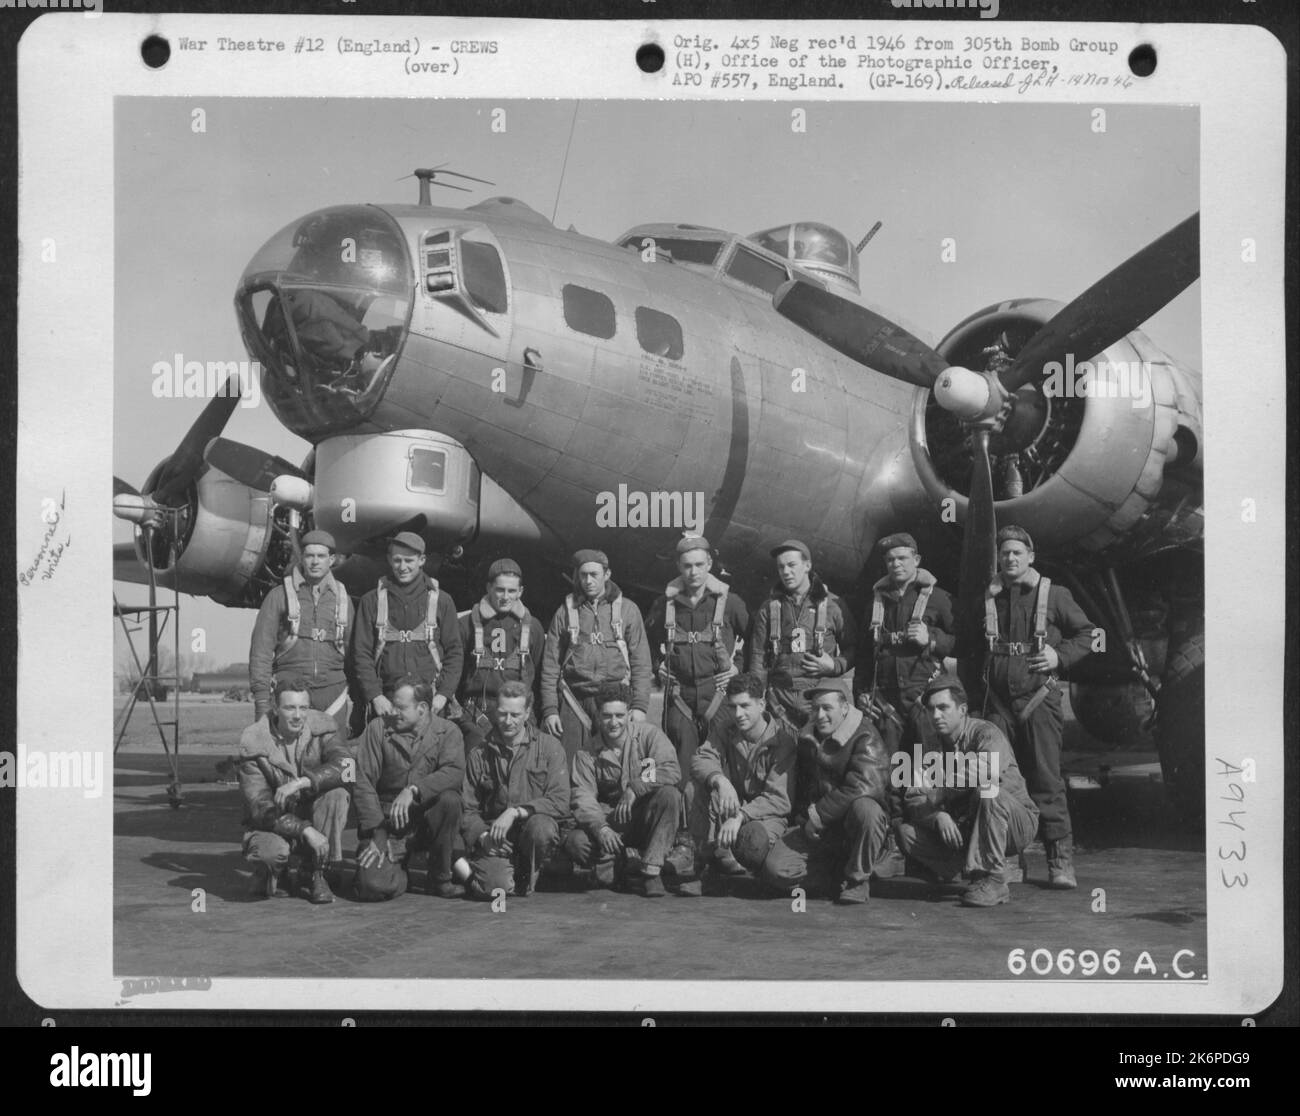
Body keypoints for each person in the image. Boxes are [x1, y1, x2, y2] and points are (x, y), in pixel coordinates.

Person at [962, 525, 1095, 889]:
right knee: (996, 781)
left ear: (1030, 557)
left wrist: (1059, 655)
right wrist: (975, 701)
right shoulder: (987, 599)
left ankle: (1059, 859)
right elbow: (971, 651)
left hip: (1039, 698)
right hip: (996, 705)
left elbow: (1090, 635)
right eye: (1004, 553)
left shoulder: (1055, 595)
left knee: (1046, 778)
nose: (1010, 558)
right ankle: (1005, 857)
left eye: (1017, 553)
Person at [645, 536, 749, 875]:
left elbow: (756, 643)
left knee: (723, 771)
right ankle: (688, 843)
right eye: (687, 566)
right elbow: (644, 646)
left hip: (718, 697)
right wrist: (655, 668)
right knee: (686, 773)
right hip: (681, 699)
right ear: (679, 567)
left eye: (700, 565)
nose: (693, 572)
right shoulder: (664, 605)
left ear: (710, 566)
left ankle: (724, 844)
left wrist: (739, 667)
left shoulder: (730, 603)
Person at [896, 675, 1039, 908]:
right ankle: (966, 869)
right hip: (969, 825)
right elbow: (914, 796)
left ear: (962, 710)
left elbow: (985, 770)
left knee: (988, 790)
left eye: (943, 708)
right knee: (906, 833)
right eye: (931, 709)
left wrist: (942, 791)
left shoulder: (986, 733)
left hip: (1015, 823)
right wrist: (937, 817)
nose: (935, 716)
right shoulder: (931, 746)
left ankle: (994, 880)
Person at [761, 677, 892, 904]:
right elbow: (802, 790)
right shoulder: (807, 738)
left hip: (851, 826)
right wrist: (804, 821)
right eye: (816, 708)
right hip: (821, 830)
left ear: (844, 708)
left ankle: (857, 879)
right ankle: (836, 876)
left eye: (827, 708)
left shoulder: (866, 736)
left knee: (867, 809)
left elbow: (864, 785)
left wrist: (818, 815)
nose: (820, 715)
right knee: (775, 869)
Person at [237, 675, 353, 904]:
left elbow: (348, 768)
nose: (298, 715)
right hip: (273, 822)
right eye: (290, 708)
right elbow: (261, 809)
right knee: (269, 853)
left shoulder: (324, 727)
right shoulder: (253, 742)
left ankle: (318, 872)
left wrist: (303, 782)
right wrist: (306, 831)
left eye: (303, 707)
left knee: (338, 795)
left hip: (310, 810)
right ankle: (273, 873)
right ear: (275, 708)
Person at [562, 682, 683, 897]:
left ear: (629, 714)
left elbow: (671, 770)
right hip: (612, 824)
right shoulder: (587, 752)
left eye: (619, 715)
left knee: (669, 795)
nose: (614, 722)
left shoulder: (649, 736)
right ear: (598, 716)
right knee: (577, 843)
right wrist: (601, 828)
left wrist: (636, 787)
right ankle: (619, 863)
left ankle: (651, 871)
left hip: (643, 819)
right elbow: (583, 797)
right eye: (607, 716)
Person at [352, 677, 465, 900]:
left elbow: (454, 772)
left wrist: (413, 790)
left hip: (425, 825)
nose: (393, 711)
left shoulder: (448, 732)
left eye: (400, 707)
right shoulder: (378, 729)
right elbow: (362, 782)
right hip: (387, 825)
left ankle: (440, 877)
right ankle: (398, 869)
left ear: (422, 708)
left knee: (450, 800)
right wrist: (379, 834)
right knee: (372, 886)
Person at [685, 672, 797, 893]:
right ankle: (707, 866)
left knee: (754, 846)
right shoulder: (726, 729)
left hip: (768, 816)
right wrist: (720, 781)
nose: (738, 714)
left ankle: (755, 871)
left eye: (745, 706)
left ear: (762, 704)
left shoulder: (783, 741)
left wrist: (741, 816)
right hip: (735, 805)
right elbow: (701, 758)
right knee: (693, 788)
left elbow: (779, 799)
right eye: (733, 706)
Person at [460, 681, 570, 900]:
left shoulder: (549, 748)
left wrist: (515, 812)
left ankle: (531, 867)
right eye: (502, 714)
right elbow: (467, 808)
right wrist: (483, 837)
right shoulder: (479, 754)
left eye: (515, 715)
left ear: (528, 712)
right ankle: (486, 869)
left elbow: (560, 801)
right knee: (494, 889)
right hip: (497, 836)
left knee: (542, 829)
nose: (508, 721)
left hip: (533, 829)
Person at [539, 549, 652, 762]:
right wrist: (551, 709)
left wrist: (639, 706)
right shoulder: (565, 611)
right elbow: (550, 665)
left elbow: (641, 663)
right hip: (575, 700)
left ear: (607, 574)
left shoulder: (627, 610)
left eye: (594, 575)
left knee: (618, 766)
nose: (588, 581)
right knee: (570, 765)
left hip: (614, 701)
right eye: (583, 575)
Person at [853, 532, 955, 755]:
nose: (895, 564)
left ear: (916, 560)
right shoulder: (875, 604)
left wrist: (932, 639)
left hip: (926, 700)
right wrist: (861, 693)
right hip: (886, 703)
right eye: (890, 560)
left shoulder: (939, 599)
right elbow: (863, 656)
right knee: (890, 772)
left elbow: (963, 644)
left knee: (931, 767)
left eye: (902, 558)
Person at [247, 530, 353, 736]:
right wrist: (261, 700)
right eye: (309, 555)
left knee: (336, 758)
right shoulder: (278, 596)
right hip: (290, 693)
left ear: (331, 559)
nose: (315, 562)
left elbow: (354, 652)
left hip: (333, 694)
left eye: (321, 556)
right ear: (301, 557)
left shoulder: (343, 599)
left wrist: (357, 699)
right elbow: (260, 651)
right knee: (286, 760)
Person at [351, 531, 463, 723]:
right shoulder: (372, 601)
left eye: (409, 560)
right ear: (389, 559)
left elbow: (455, 652)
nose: (402, 567)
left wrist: (443, 695)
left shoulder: (442, 601)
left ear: (422, 560)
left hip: (431, 701)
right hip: (387, 703)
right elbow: (361, 652)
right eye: (397, 560)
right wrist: (375, 696)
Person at [747, 539, 856, 730]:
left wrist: (835, 666)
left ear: (807, 565)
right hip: (780, 699)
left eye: (791, 565)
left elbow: (854, 647)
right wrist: (757, 697)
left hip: (819, 698)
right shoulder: (769, 609)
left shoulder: (833, 605)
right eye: (781, 567)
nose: (786, 572)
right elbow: (758, 656)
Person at [455, 558, 546, 753]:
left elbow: (536, 675)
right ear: (488, 588)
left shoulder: (533, 628)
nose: (505, 597)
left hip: (518, 715)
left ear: (520, 592)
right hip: (477, 716)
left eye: (512, 591)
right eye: (500, 590)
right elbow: (457, 672)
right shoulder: (466, 625)